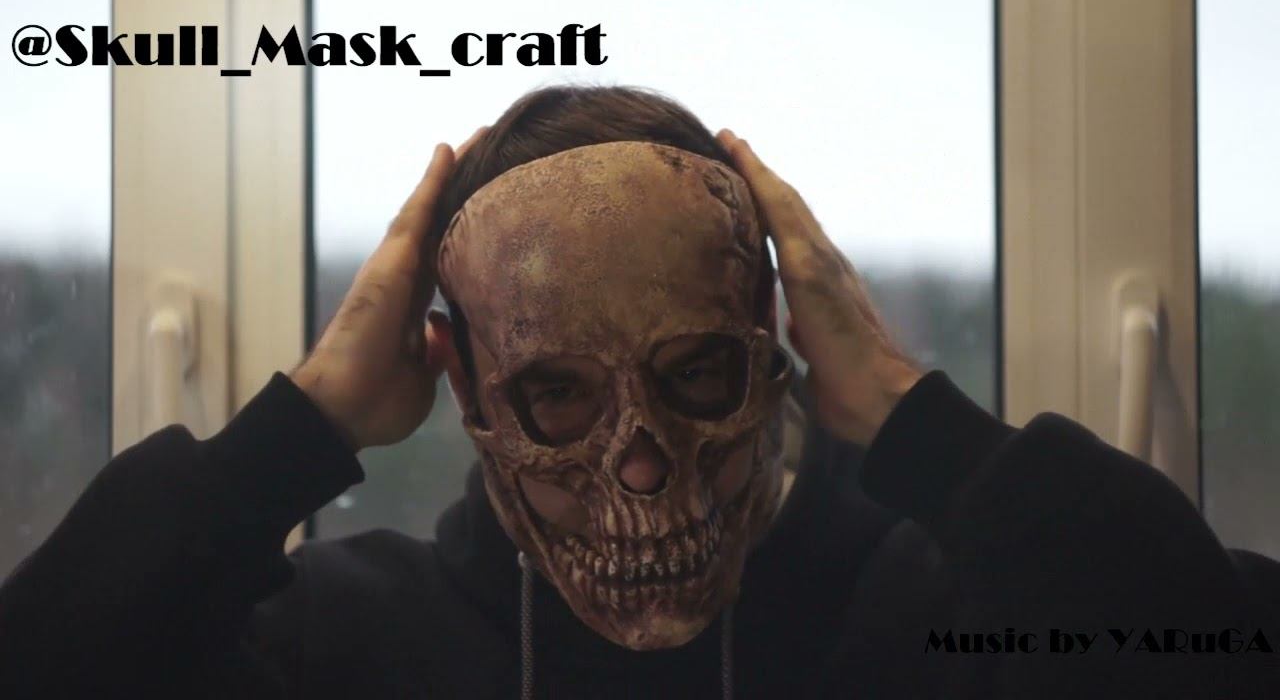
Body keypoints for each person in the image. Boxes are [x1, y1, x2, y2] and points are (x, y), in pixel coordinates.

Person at [1, 85, 1277, 699]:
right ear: (464, 389)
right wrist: (298, 429)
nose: (644, 465)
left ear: (773, 341)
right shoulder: (336, 649)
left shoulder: (948, 624)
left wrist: (913, 420)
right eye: (555, 393)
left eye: (694, 373)